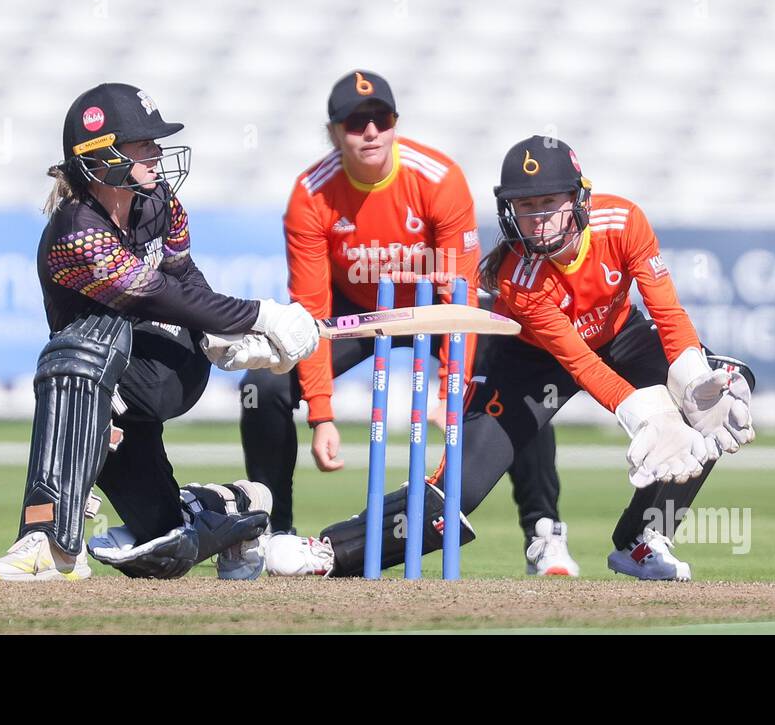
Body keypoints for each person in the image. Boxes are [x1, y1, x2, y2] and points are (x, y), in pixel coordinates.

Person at [266, 135, 755, 580]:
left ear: (579, 200)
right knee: (454, 497)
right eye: (526, 207)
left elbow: (667, 312)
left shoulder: (623, 221)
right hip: (531, 360)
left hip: (618, 332)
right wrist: (645, 415)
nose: (538, 220)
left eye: (549, 204)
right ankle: (330, 550)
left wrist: (691, 380)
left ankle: (642, 541)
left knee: (722, 392)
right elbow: (578, 364)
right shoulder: (516, 279)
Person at [238, 71, 580, 576]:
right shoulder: (311, 195)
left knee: (522, 372)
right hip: (353, 315)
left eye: (382, 119)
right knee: (263, 384)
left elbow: (456, 294)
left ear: (395, 124)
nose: (371, 131)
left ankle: (543, 533)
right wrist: (322, 415)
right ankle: (274, 536)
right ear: (334, 132)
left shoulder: (437, 178)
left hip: (439, 312)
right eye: (356, 123)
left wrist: (451, 387)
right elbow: (308, 315)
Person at [0, 82, 320, 582]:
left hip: (161, 369)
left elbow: (184, 279)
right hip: (107, 396)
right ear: (104, 156)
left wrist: (216, 339)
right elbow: (157, 295)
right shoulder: (76, 232)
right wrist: (259, 316)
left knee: (75, 351)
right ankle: (235, 509)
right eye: (144, 146)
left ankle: (50, 540)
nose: (158, 155)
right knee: (162, 548)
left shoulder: (161, 202)